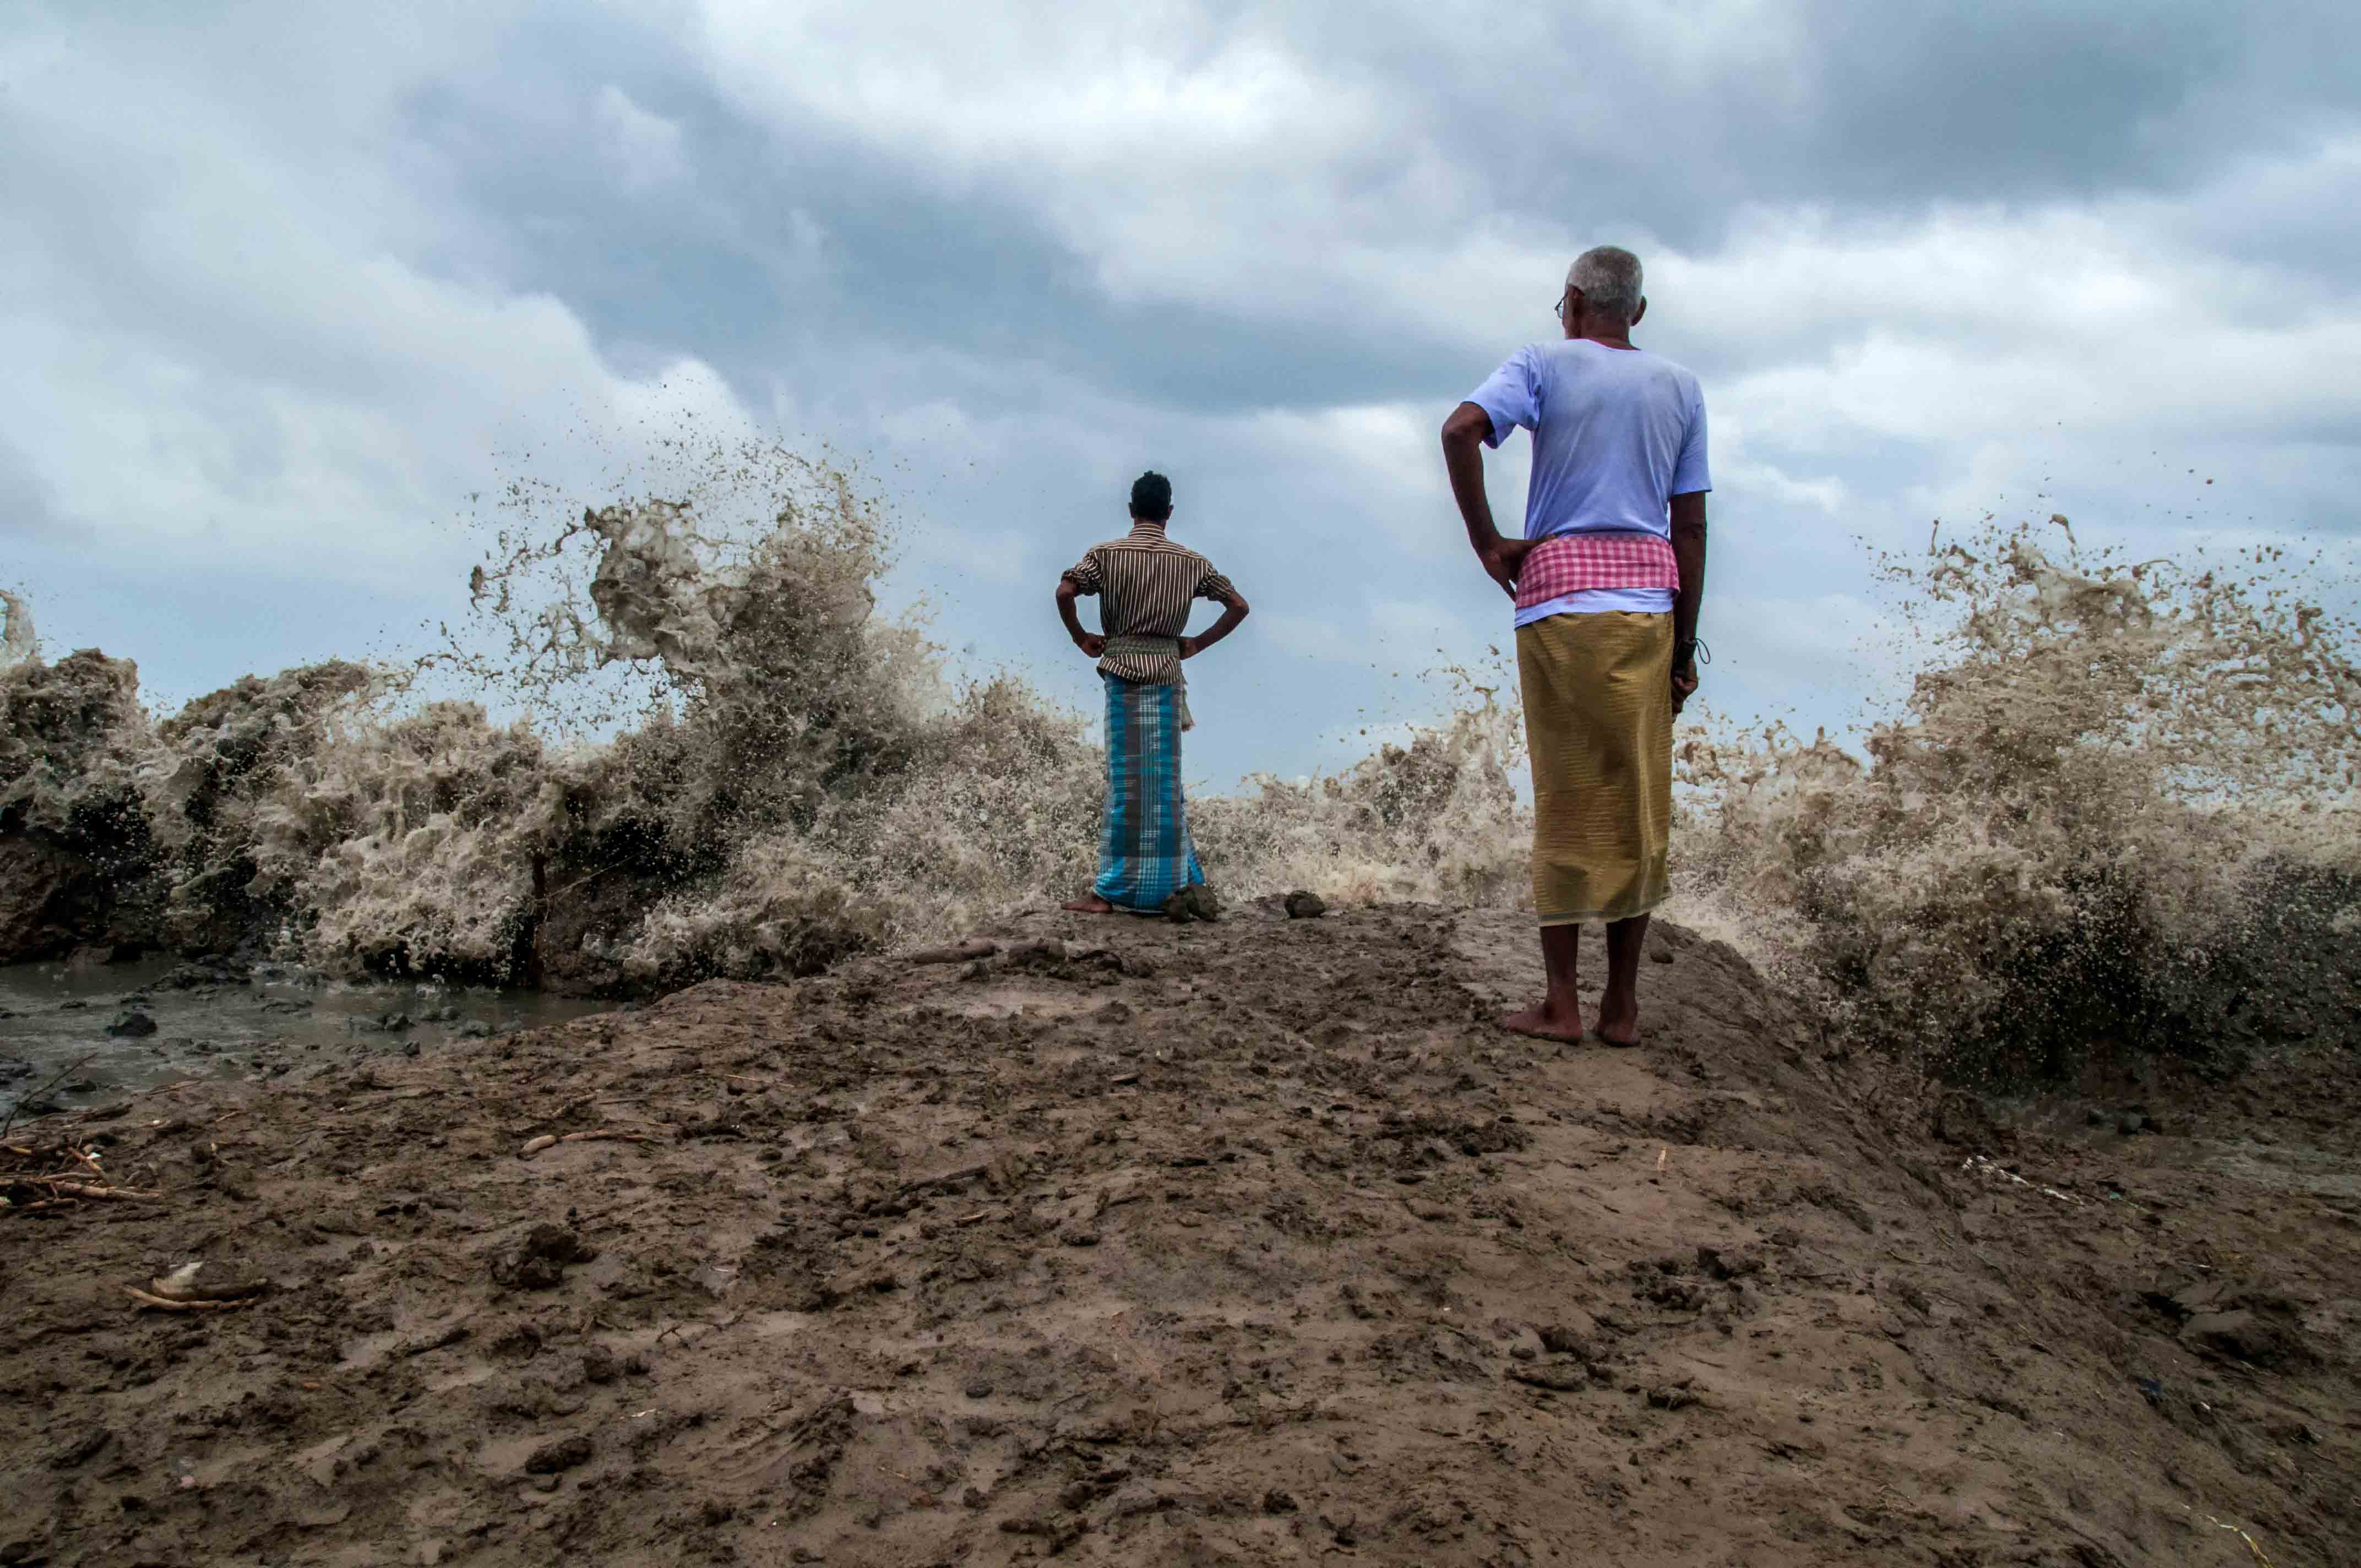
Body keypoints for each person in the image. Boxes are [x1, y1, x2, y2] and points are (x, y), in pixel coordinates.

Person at [1440, 246, 1710, 1046]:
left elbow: (1460, 431)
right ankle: (1620, 1009)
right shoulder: (1680, 386)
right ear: (1640, 311)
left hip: (1560, 599)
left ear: (1571, 300)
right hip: (1649, 607)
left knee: (1567, 794)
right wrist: (1686, 647)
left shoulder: (1541, 363)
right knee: (1637, 801)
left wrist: (1490, 544)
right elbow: (1689, 525)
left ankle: (1561, 1004)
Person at [1056, 471, 1250, 917]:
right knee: (1163, 785)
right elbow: (1238, 605)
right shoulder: (1191, 562)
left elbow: (1066, 590)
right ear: (1169, 513)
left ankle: (1109, 893)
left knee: (1125, 782)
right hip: (1165, 672)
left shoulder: (1106, 554)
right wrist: (1197, 643)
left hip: (1122, 673)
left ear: (1131, 511)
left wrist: (1080, 637)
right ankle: (1172, 884)